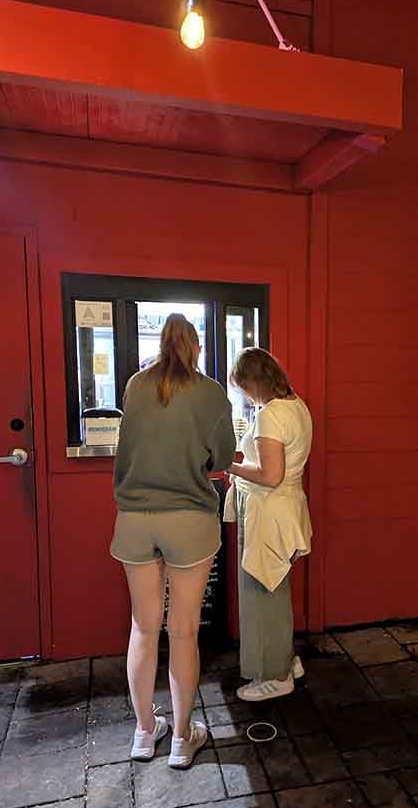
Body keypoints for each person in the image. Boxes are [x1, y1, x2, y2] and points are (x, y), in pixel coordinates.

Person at [110, 313, 236, 768]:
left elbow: (127, 449)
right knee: (183, 632)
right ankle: (182, 739)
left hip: (135, 519)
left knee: (143, 628)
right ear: (196, 346)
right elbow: (223, 457)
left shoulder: (136, 385)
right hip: (189, 519)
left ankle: (145, 733)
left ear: (160, 344)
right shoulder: (211, 392)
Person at [224, 348, 313, 702]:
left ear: (255, 382)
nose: (246, 396)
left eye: (244, 388)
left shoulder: (270, 415)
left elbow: (270, 475)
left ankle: (274, 676)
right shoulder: (297, 406)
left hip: (267, 513)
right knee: (276, 591)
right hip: (287, 510)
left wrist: (229, 465)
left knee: (262, 596)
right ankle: (285, 660)